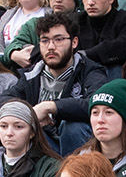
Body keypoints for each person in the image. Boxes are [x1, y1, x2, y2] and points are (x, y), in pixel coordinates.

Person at [12, 11, 108, 156]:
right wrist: (28, 115)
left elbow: (96, 104)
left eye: (58, 39)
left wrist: (50, 107)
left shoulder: (90, 70)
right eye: (45, 40)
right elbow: (2, 101)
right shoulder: (31, 75)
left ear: (74, 42)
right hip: (44, 142)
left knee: (73, 126)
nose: (50, 47)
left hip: (80, 147)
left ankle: (77, 176)